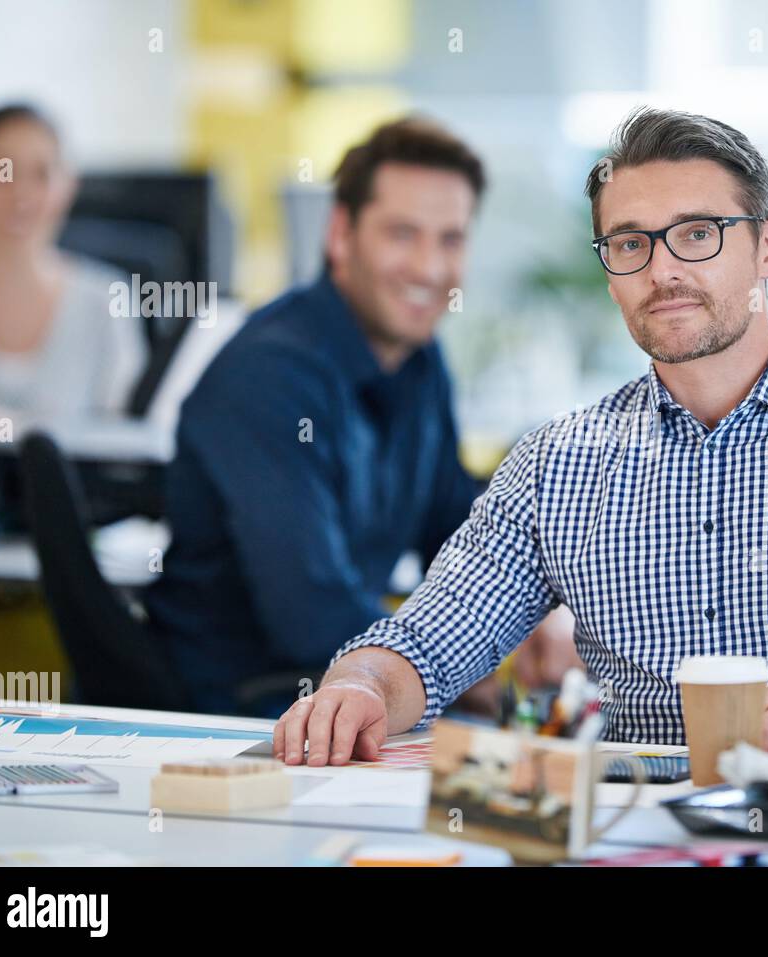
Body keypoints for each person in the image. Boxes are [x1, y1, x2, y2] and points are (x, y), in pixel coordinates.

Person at [274, 108, 768, 766]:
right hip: (632, 837)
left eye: (698, 234)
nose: (663, 269)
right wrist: (360, 687)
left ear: (767, 247)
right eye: (630, 242)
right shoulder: (558, 463)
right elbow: (426, 642)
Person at [146, 117, 573, 715]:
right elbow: (310, 611)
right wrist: (472, 680)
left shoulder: (422, 361)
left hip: (347, 692)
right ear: (341, 234)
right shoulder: (269, 376)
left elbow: (455, 534)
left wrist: (535, 621)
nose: (429, 268)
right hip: (247, 708)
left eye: (451, 239)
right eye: (403, 234)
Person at [0, 104, 145, 449]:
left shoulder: (106, 300)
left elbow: (125, 441)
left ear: (69, 186)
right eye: (4, 172)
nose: (21, 195)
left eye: (41, 174)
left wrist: (15, 431)